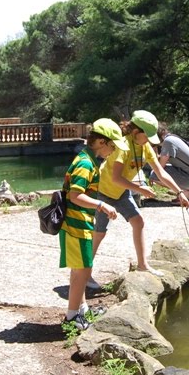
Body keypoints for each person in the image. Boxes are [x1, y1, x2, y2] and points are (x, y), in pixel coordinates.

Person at [91, 110, 189, 282]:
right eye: (147, 136)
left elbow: (161, 173)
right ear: (136, 132)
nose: (150, 141)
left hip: (121, 192)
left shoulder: (145, 147)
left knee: (138, 222)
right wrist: (142, 190)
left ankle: (142, 265)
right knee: (99, 233)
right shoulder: (122, 147)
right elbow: (116, 178)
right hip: (105, 192)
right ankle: (85, 271)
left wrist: (179, 192)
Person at [59, 118, 127, 331]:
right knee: (82, 269)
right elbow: (75, 195)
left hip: (81, 223)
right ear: (100, 142)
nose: (114, 150)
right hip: (76, 224)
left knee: (81, 267)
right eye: (112, 146)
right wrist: (102, 205)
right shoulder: (86, 163)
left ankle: (82, 309)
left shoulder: (89, 158)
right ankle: (72, 317)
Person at [148, 122, 189, 201]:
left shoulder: (168, 142)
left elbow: (160, 166)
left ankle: (184, 193)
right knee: (158, 171)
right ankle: (183, 192)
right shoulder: (172, 138)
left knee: (154, 174)